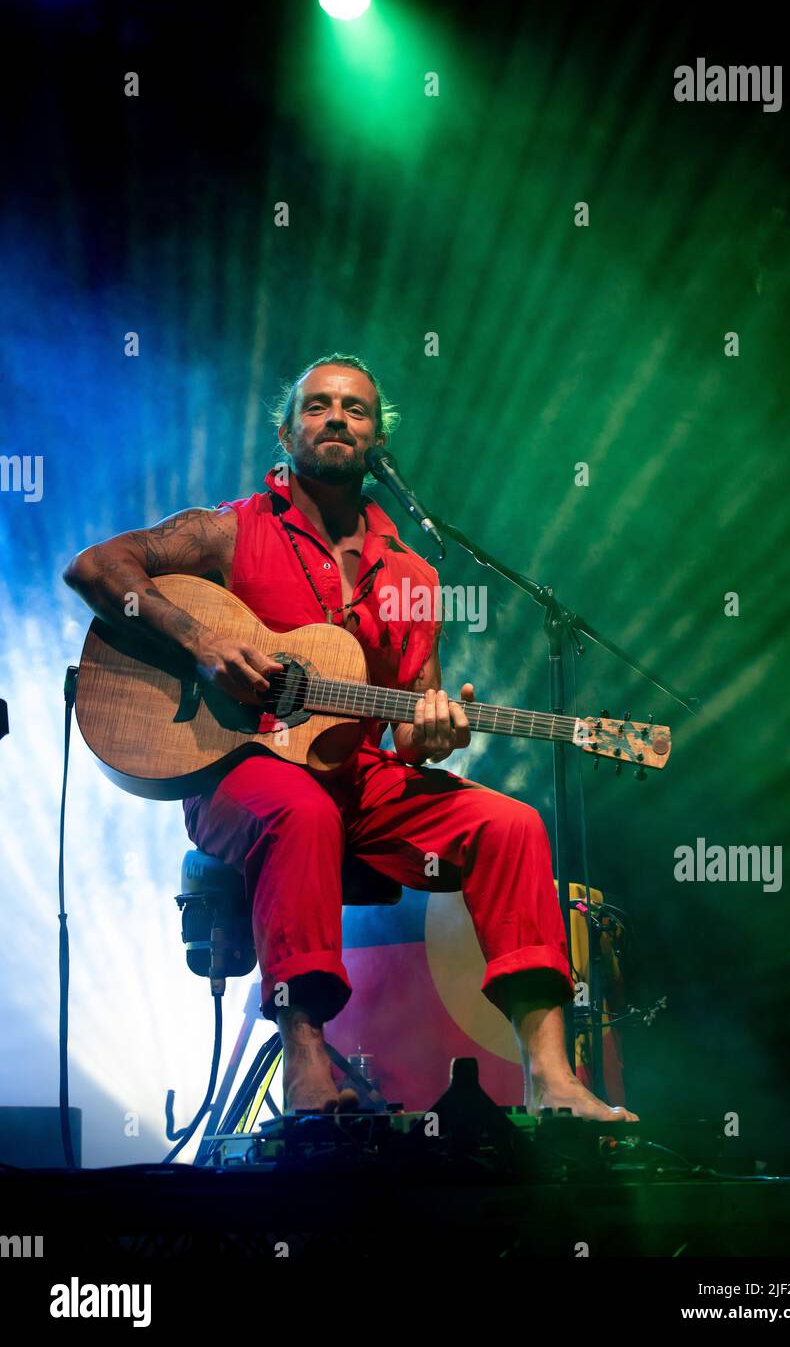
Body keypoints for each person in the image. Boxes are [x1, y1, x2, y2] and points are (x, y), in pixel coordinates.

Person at [63, 353, 638, 1122]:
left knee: (512, 825)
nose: (337, 418)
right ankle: (304, 1058)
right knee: (302, 809)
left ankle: (552, 1077)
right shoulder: (230, 532)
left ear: (378, 439)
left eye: (356, 410)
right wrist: (201, 642)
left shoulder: (413, 576)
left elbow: (407, 723)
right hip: (240, 774)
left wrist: (427, 735)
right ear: (286, 429)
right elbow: (97, 567)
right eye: (319, 406)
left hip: (363, 779)